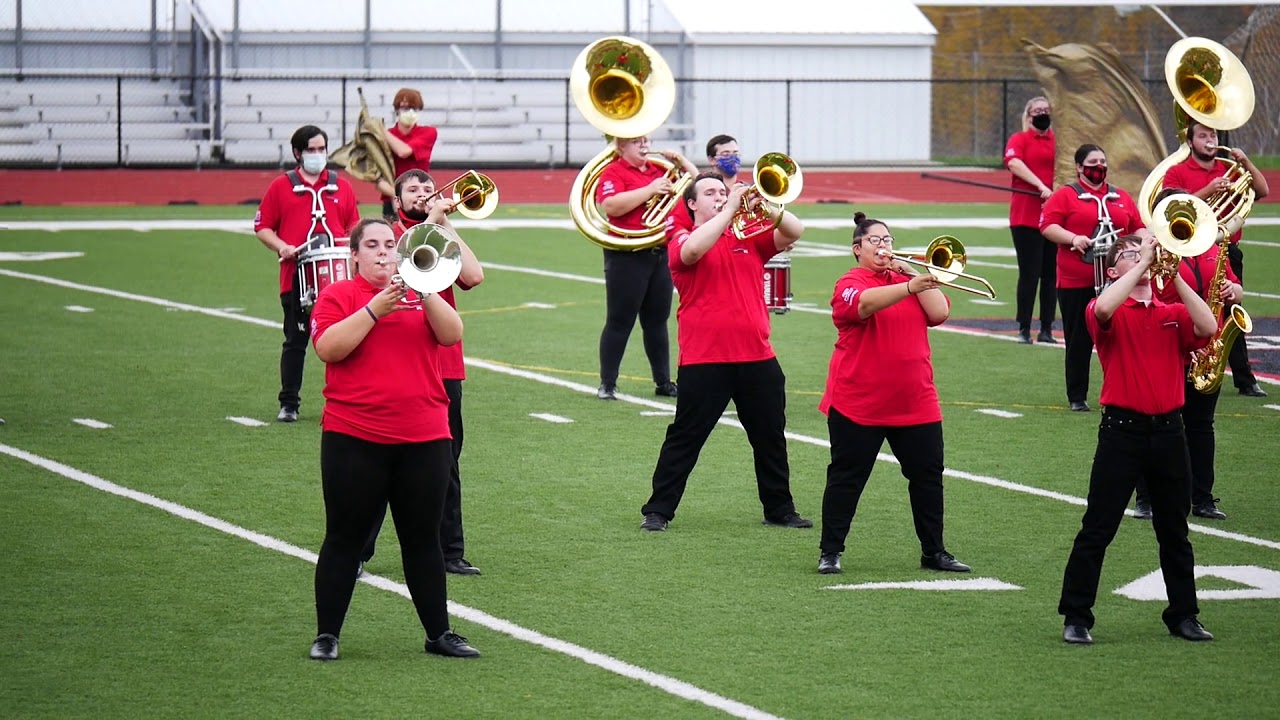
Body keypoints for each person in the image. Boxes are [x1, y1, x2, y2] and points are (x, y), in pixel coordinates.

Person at [306, 218, 479, 661]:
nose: (383, 252)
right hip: (354, 436)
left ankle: (438, 632)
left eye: (389, 244)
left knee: (422, 540)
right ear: (355, 255)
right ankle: (327, 634)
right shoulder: (338, 295)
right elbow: (328, 348)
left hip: (424, 436)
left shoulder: (423, 294)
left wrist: (425, 290)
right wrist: (374, 310)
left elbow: (452, 334)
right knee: (344, 538)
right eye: (373, 245)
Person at [1058, 233, 1217, 645]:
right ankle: (1076, 616)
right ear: (1113, 271)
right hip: (1121, 433)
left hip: (1169, 433)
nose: (1141, 256)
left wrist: (1173, 273)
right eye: (1129, 255)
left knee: (1174, 531)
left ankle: (1184, 614)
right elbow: (1104, 308)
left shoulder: (1173, 311)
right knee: (1098, 528)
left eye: (1142, 252)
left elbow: (1208, 326)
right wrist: (1145, 263)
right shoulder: (1105, 307)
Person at [639, 172, 811, 532]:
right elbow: (692, 252)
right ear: (692, 204)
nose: (719, 196)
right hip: (705, 360)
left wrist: (767, 207)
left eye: (722, 191)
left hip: (758, 356)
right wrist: (731, 207)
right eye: (710, 193)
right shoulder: (681, 237)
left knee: (770, 438)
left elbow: (795, 230)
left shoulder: (749, 237)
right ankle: (658, 510)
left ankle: (779, 508)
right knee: (686, 438)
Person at [815, 213, 970, 575]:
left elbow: (939, 312)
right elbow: (864, 304)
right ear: (858, 249)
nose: (884, 246)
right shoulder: (849, 282)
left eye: (888, 240)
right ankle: (831, 551)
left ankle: (934, 551)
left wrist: (914, 275)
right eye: (876, 240)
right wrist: (909, 286)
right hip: (859, 403)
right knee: (846, 479)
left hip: (916, 401)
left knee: (928, 478)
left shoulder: (907, 279)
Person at [361, 169, 486, 576]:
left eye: (429, 189)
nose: (424, 194)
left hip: (444, 364)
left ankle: (450, 551)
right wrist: (433, 219)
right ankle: (359, 552)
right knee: (382, 462)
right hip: (400, 360)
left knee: (445, 461)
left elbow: (473, 276)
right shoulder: (390, 235)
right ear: (397, 201)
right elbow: (401, 258)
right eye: (413, 190)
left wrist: (446, 222)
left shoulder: (441, 232)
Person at [1132, 188, 1243, 522]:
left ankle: (1202, 497)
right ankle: (1146, 498)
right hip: (1167, 347)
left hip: (1207, 350)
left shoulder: (1211, 248)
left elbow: (1237, 290)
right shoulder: (1152, 253)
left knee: (1201, 426)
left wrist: (1232, 290)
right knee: (1155, 425)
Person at [254, 125, 360, 422]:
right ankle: (289, 403)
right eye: (311, 150)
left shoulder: (342, 187)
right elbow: (262, 227)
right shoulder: (281, 186)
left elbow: (354, 227)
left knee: (349, 339)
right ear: (298, 153)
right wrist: (282, 246)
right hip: (297, 275)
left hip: (338, 276)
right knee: (295, 341)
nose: (317, 154)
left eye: (321, 149)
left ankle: (350, 399)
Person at [1040, 144, 1152, 412]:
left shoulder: (1120, 196)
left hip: (1118, 282)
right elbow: (1047, 225)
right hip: (1077, 282)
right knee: (1079, 340)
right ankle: (1077, 396)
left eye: (1103, 161)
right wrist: (1073, 238)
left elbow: (1137, 226)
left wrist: (1146, 241)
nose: (1099, 167)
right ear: (1079, 167)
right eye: (1093, 162)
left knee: (1123, 337)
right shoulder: (1066, 195)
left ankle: (1124, 391)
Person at [1162, 120, 1270, 397]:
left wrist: (1246, 163)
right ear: (1190, 142)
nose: (1209, 140)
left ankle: (1243, 378)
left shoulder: (1229, 168)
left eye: (1212, 135)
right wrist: (1209, 190)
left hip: (1224, 250)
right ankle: (1185, 370)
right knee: (1188, 312)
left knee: (1230, 310)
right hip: (1188, 250)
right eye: (1202, 136)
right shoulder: (1177, 171)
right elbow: (1171, 207)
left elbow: (1262, 191)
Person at [594, 134, 698, 400]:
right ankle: (608, 383)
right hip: (626, 254)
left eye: (646, 140)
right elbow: (611, 206)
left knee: (657, 321)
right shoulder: (613, 171)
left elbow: (696, 189)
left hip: (660, 252)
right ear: (621, 146)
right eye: (637, 141)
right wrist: (650, 190)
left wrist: (682, 162)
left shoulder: (660, 170)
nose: (645, 145)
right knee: (620, 320)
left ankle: (663, 381)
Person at [1004, 96, 1057, 344]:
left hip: (1054, 217)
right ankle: (1024, 327)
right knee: (1029, 274)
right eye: (1037, 110)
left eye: (1046, 109)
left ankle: (1047, 328)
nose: (1042, 113)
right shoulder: (1020, 139)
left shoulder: (1059, 141)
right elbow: (1014, 163)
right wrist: (1040, 186)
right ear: (1028, 115)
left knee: (1051, 275)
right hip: (1026, 216)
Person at [375, 88, 439, 221]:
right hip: (391, 199)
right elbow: (377, 178)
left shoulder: (428, 132)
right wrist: (396, 195)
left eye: (413, 108)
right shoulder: (386, 135)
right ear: (397, 109)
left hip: (420, 199)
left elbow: (403, 151)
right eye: (405, 107)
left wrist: (380, 131)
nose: (410, 112)